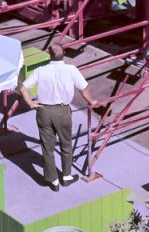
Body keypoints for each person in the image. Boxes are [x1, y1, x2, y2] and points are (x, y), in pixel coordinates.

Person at [18, 43, 96, 190]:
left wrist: (30, 103)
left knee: (48, 148)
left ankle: (52, 180)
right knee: (66, 144)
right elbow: (83, 89)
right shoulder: (71, 70)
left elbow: (23, 88)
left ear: (49, 54)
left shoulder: (40, 70)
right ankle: (66, 176)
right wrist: (92, 101)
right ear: (64, 53)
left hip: (44, 111)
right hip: (62, 111)